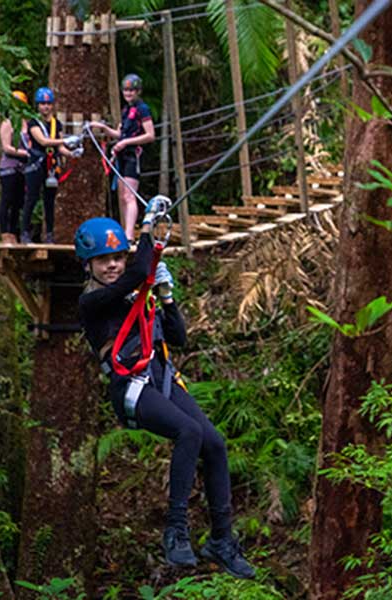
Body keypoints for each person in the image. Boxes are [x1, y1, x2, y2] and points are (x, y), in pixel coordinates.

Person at [74, 201, 255, 577]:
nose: (112, 266)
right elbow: (140, 269)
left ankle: (222, 538)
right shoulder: (92, 301)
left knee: (215, 444)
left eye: (117, 258)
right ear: (88, 265)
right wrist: (147, 228)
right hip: (130, 388)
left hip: (163, 378)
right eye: (103, 260)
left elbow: (179, 338)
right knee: (188, 432)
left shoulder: (137, 292)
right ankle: (176, 530)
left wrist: (167, 297)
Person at [88, 73, 155, 242]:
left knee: (129, 196)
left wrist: (126, 143)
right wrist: (103, 128)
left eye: (132, 90)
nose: (128, 93)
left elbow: (150, 135)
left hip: (134, 155)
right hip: (122, 156)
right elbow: (120, 134)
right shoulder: (126, 110)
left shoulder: (142, 109)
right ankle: (126, 230)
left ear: (138, 91)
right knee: (122, 196)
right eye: (126, 90)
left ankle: (129, 234)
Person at [22, 86, 78, 244]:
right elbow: (43, 141)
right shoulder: (33, 122)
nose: (45, 107)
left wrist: (71, 153)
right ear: (38, 106)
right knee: (31, 198)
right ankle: (25, 232)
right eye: (42, 104)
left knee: (49, 201)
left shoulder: (56, 124)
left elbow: (60, 148)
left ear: (52, 105)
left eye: (48, 104)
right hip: (37, 163)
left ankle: (50, 235)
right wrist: (65, 140)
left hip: (51, 166)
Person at [0, 90, 30, 244]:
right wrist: (26, 153)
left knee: (19, 202)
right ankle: (5, 233)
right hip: (9, 167)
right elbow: (6, 147)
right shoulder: (7, 123)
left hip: (24, 169)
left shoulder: (28, 124)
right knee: (7, 200)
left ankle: (14, 232)